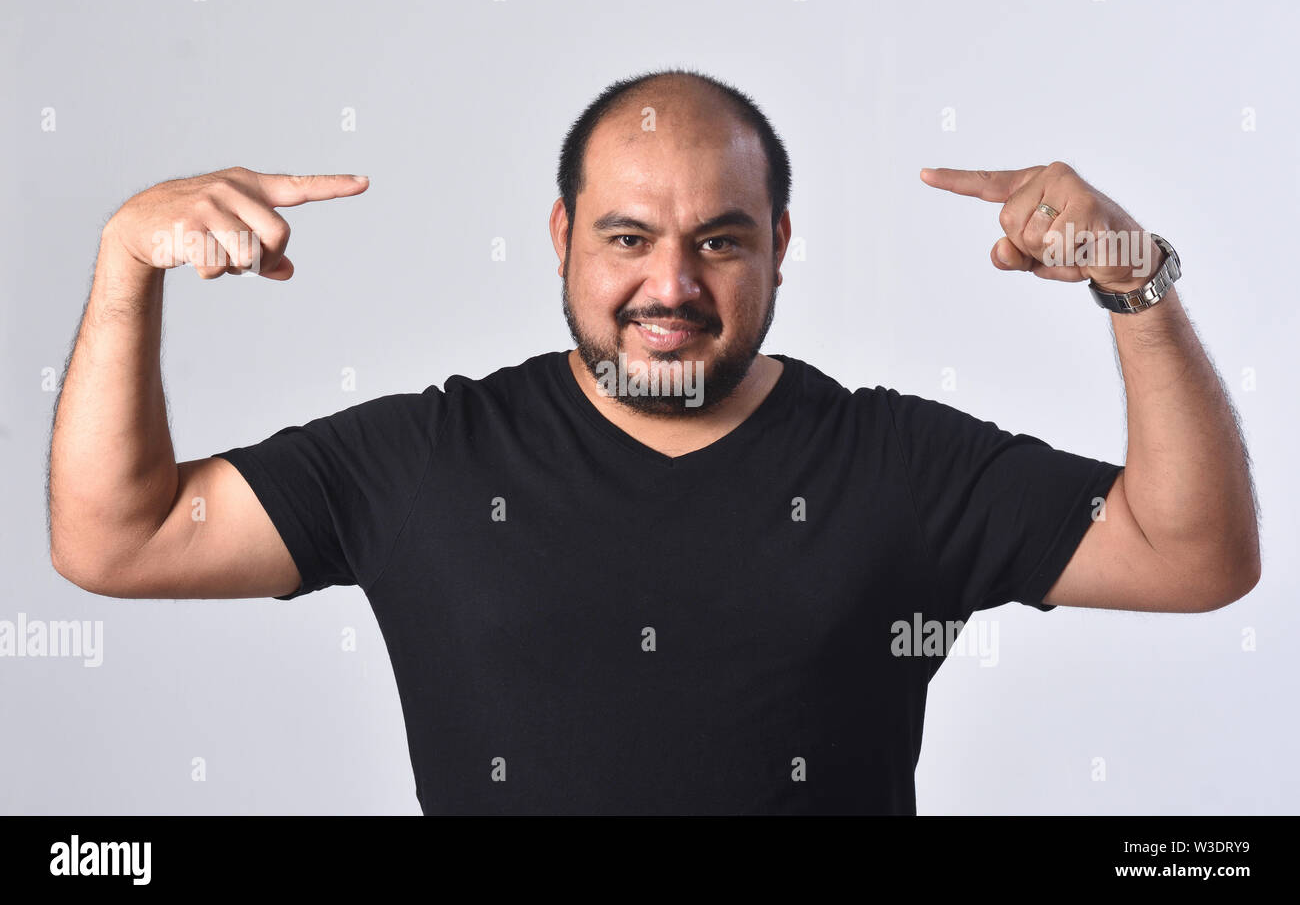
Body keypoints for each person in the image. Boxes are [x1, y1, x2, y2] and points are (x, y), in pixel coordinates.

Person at [47, 68, 1261, 814]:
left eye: (719, 240)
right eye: (628, 238)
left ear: (780, 244)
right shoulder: (426, 457)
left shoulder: (898, 466)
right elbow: (120, 536)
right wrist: (124, 269)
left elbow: (1192, 555)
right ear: (563, 234)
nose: (669, 283)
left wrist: (1135, 283)